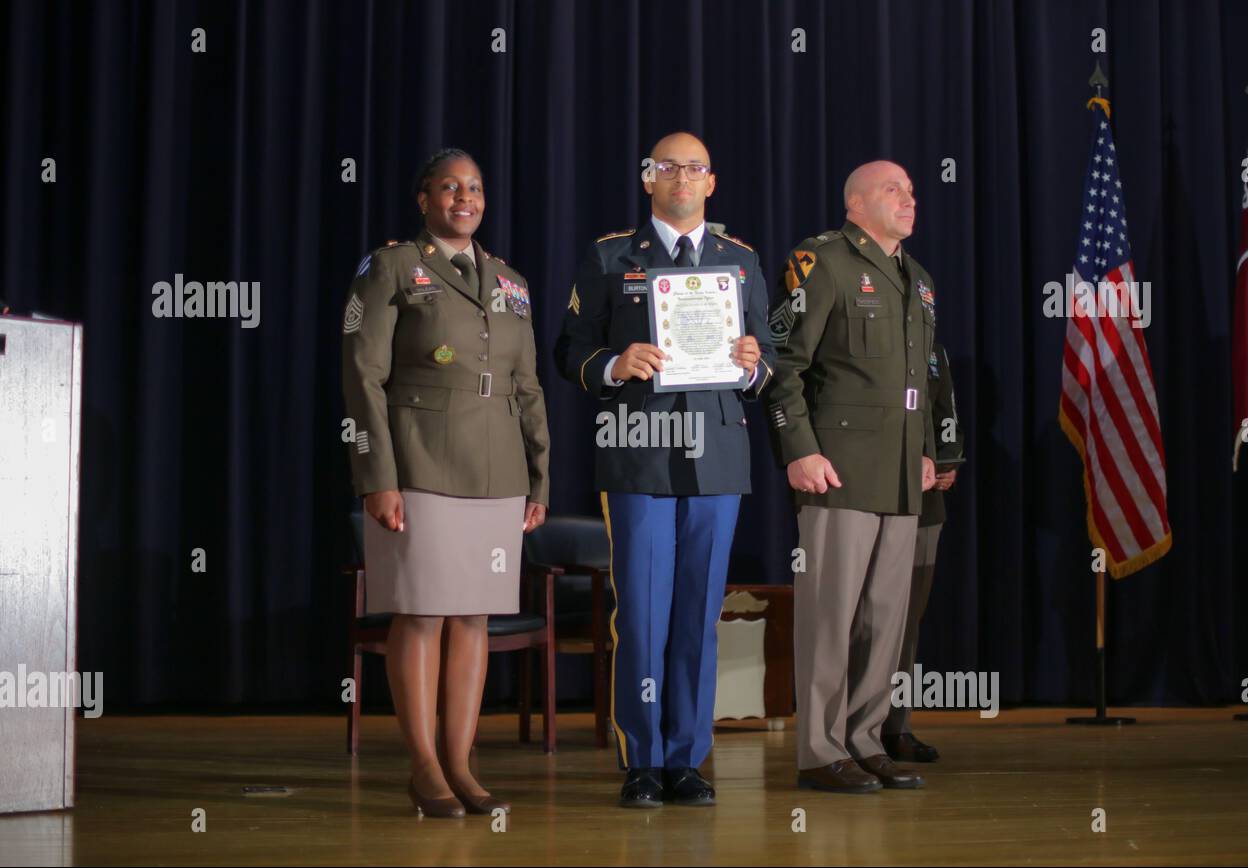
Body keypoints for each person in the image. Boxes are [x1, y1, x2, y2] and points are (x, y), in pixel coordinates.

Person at [556, 131, 775, 808]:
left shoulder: (741, 261)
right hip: (639, 450)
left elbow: (772, 356)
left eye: (694, 168)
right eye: (667, 167)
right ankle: (643, 759)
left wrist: (751, 363)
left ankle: (687, 757)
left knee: (699, 614)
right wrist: (615, 365)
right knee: (644, 614)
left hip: (716, 456)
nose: (681, 176)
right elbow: (570, 349)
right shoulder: (609, 256)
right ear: (647, 179)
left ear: (712, 182)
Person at [340, 148, 550, 818]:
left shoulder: (511, 281)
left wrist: (540, 479)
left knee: (473, 617)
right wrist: (378, 475)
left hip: (497, 469)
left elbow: (528, 387)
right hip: (420, 462)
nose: (466, 197)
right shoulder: (393, 267)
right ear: (424, 198)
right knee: (423, 612)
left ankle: (460, 762)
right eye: (450, 187)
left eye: (476, 187)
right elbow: (362, 375)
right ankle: (423, 765)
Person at [765, 159, 938, 794]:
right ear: (856, 204)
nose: (910, 199)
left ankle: (866, 740)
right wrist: (798, 450)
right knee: (829, 616)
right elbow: (784, 365)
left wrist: (924, 452)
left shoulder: (916, 280)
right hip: (835, 471)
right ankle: (818, 751)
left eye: (913, 191)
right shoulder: (823, 262)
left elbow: (917, 383)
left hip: (899, 475)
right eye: (895, 190)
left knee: (886, 619)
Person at [883, 340, 963, 762]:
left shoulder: (931, 345)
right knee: (860, 617)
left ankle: (896, 726)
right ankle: (848, 728)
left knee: (907, 620)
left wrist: (947, 460)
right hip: (867, 488)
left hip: (925, 495)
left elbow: (943, 404)